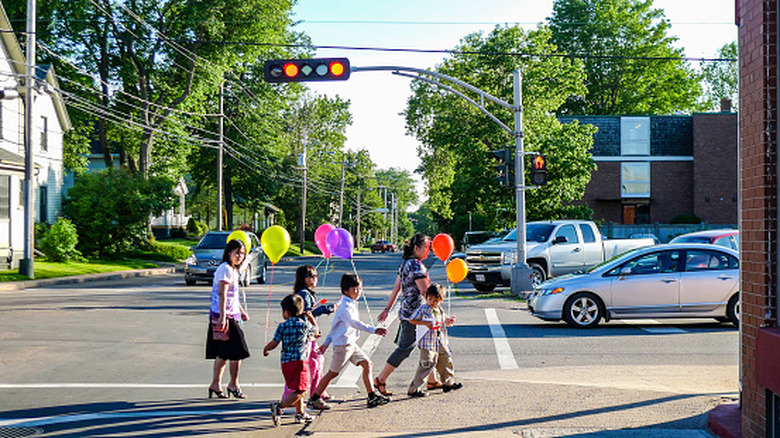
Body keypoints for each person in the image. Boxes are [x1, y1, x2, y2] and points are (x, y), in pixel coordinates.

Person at [307, 273, 391, 409]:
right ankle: (314, 399)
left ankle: (371, 396)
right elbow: (354, 323)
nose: (358, 292)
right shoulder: (345, 307)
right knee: (332, 373)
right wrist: (374, 330)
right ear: (346, 291)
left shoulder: (349, 302)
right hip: (343, 346)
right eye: (355, 289)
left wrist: (326, 344)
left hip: (351, 344)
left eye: (360, 288)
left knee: (367, 364)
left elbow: (335, 327)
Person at [374, 233, 440, 396]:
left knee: (428, 345)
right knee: (405, 348)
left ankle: (431, 380)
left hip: (408, 312)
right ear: (416, 248)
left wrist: (387, 309)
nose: (428, 251)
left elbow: (397, 289)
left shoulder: (405, 265)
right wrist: (436, 309)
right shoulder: (417, 266)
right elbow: (425, 292)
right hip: (416, 314)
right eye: (426, 247)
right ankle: (380, 379)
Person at [264, 294, 318, 426]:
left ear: (287, 313)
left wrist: (266, 348)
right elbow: (316, 332)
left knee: (295, 389)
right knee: (302, 390)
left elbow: (275, 342)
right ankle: (279, 406)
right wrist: (311, 319)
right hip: (300, 362)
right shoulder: (304, 326)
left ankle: (300, 413)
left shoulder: (282, 326)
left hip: (285, 363)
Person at [206, 238, 250, 399]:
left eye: (243, 254)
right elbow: (222, 293)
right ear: (229, 252)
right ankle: (233, 384)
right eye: (237, 252)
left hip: (229, 314)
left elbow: (233, 296)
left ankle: (216, 384)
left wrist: (241, 310)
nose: (240, 256)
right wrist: (224, 317)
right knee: (238, 351)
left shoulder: (232, 269)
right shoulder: (225, 269)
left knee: (223, 352)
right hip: (224, 315)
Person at [407, 283, 462, 397]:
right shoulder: (424, 309)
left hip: (440, 340)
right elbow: (412, 320)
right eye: (430, 299)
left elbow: (443, 322)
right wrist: (425, 323)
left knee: (445, 359)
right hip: (427, 342)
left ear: (441, 300)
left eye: (435, 300)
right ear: (426, 297)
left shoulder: (440, 310)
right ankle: (414, 389)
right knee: (427, 364)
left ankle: (448, 382)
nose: (432, 302)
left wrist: (449, 321)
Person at [290, 265, 336, 400]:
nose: (314, 279)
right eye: (310, 276)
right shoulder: (304, 294)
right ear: (302, 278)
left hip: (308, 333)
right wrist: (326, 308)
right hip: (306, 334)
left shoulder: (306, 292)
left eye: (315, 276)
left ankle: (317, 391)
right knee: (313, 362)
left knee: (316, 361)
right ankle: (313, 393)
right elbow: (308, 313)